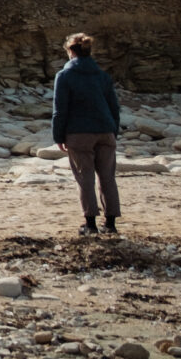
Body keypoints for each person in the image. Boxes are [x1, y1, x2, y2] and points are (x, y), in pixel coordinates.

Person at [53, 32, 121, 236]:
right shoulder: (102, 76)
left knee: (85, 177)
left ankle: (90, 223)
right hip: (105, 130)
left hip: (78, 132)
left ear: (71, 51)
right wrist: (113, 130)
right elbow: (114, 107)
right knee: (107, 177)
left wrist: (58, 136)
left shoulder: (64, 76)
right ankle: (110, 223)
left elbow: (60, 110)